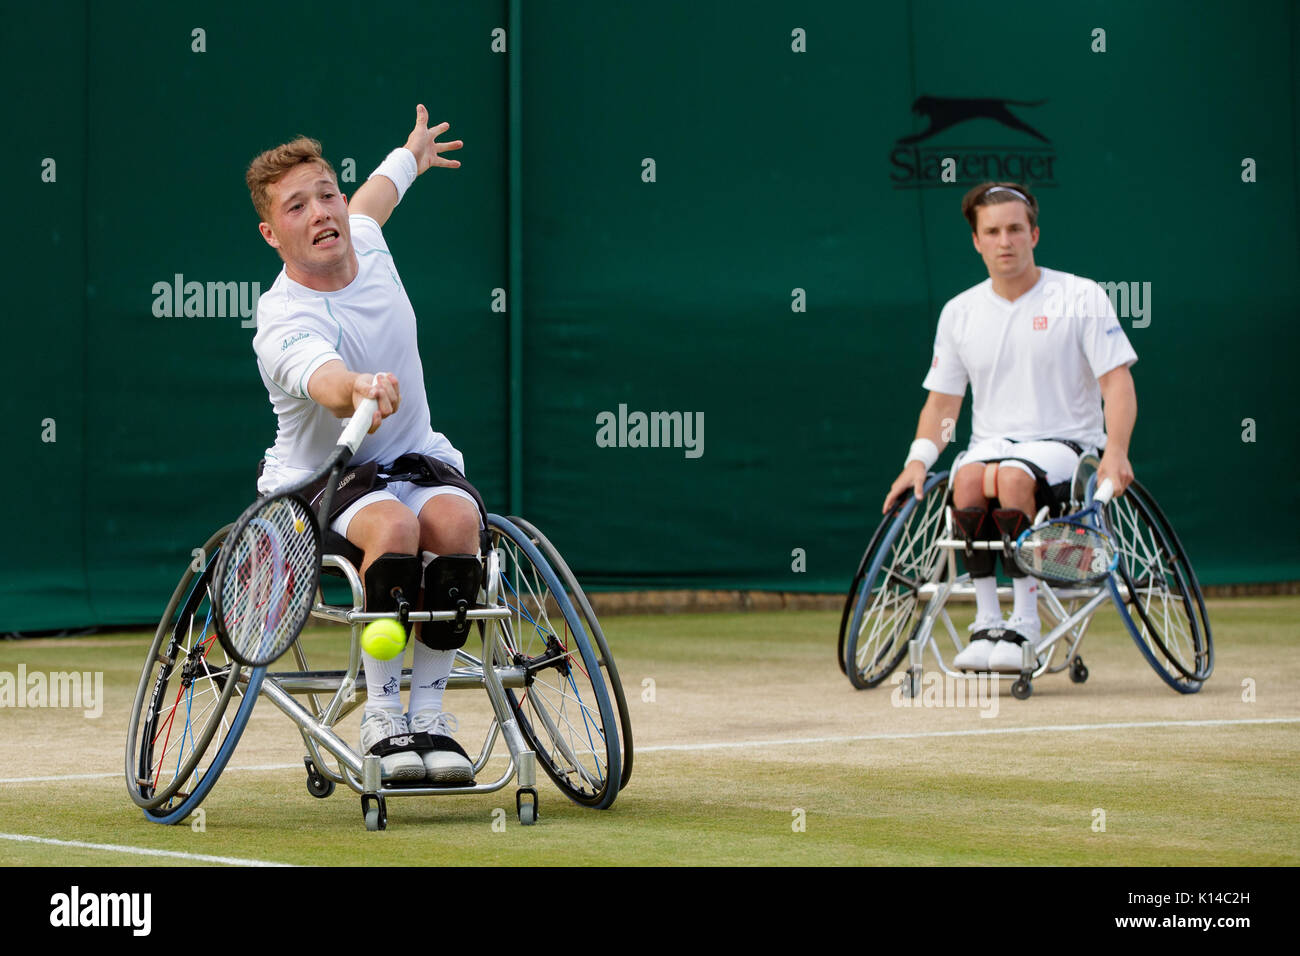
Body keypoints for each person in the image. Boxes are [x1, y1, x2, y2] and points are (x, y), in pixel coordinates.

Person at [245, 105, 480, 782]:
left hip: (414, 459)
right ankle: (383, 717)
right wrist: (359, 387)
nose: (320, 214)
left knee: (458, 521)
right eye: (297, 207)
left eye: (327, 196)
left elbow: (378, 195)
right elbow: (321, 378)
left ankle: (431, 715)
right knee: (397, 525)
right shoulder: (281, 319)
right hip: (322, 480)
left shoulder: (365, 236)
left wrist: (411, 153)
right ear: (272, 233)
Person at [883, 181, 1138, 672]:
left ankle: (1023, 622)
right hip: (991, 446)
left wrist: (1118, 450)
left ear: (1034, 234)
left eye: (1015, 230)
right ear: (976, 241)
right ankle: (985, 621)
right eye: (993, 231)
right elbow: (942, 406)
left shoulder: (1081, 296)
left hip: (1068, 446)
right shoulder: (959, 312)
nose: (1006, 241)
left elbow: (1117, 383)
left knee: (1012, 476)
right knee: (971, 477)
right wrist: (917, 461)